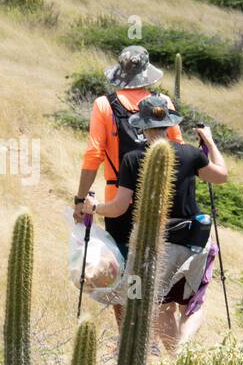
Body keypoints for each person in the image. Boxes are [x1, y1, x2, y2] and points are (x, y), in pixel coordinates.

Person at [83, 94, 227, 351]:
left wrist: (95, 208)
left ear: (141, 125)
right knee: (192, 304)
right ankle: (182, 351)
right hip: (194, 239)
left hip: (159, 244)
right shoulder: (191, 154)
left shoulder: (133, 159)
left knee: (160, 305)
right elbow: (221, 176)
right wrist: (210, 142)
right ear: (168, 124)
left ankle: (176, 358)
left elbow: (118, 208)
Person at [72, 46, 183, 262]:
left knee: (123, 267)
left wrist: (80, 200)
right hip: (160, 200)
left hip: (117, 201)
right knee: (156, 268)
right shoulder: (164, 104)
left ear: (121, 72)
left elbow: (94, 155)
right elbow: (178, 150)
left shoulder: (104, 105)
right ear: (146, 72)